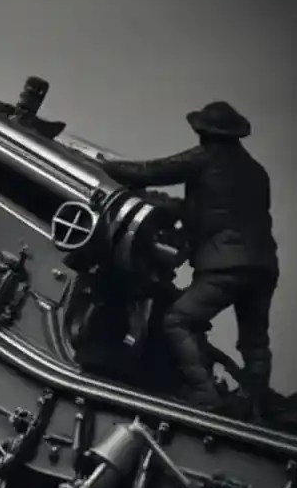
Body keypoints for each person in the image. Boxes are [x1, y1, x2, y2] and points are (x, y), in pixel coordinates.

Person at [96, 101, 279, 415]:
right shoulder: (257, 172)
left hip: (225, 264)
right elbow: (223, 210)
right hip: (263, 264)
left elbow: (149, 171)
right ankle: (256, 403)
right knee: (254, 341)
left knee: (179, 320)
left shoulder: (204, 159)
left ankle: (204, 393)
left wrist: (104, 166)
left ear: (206, 133)